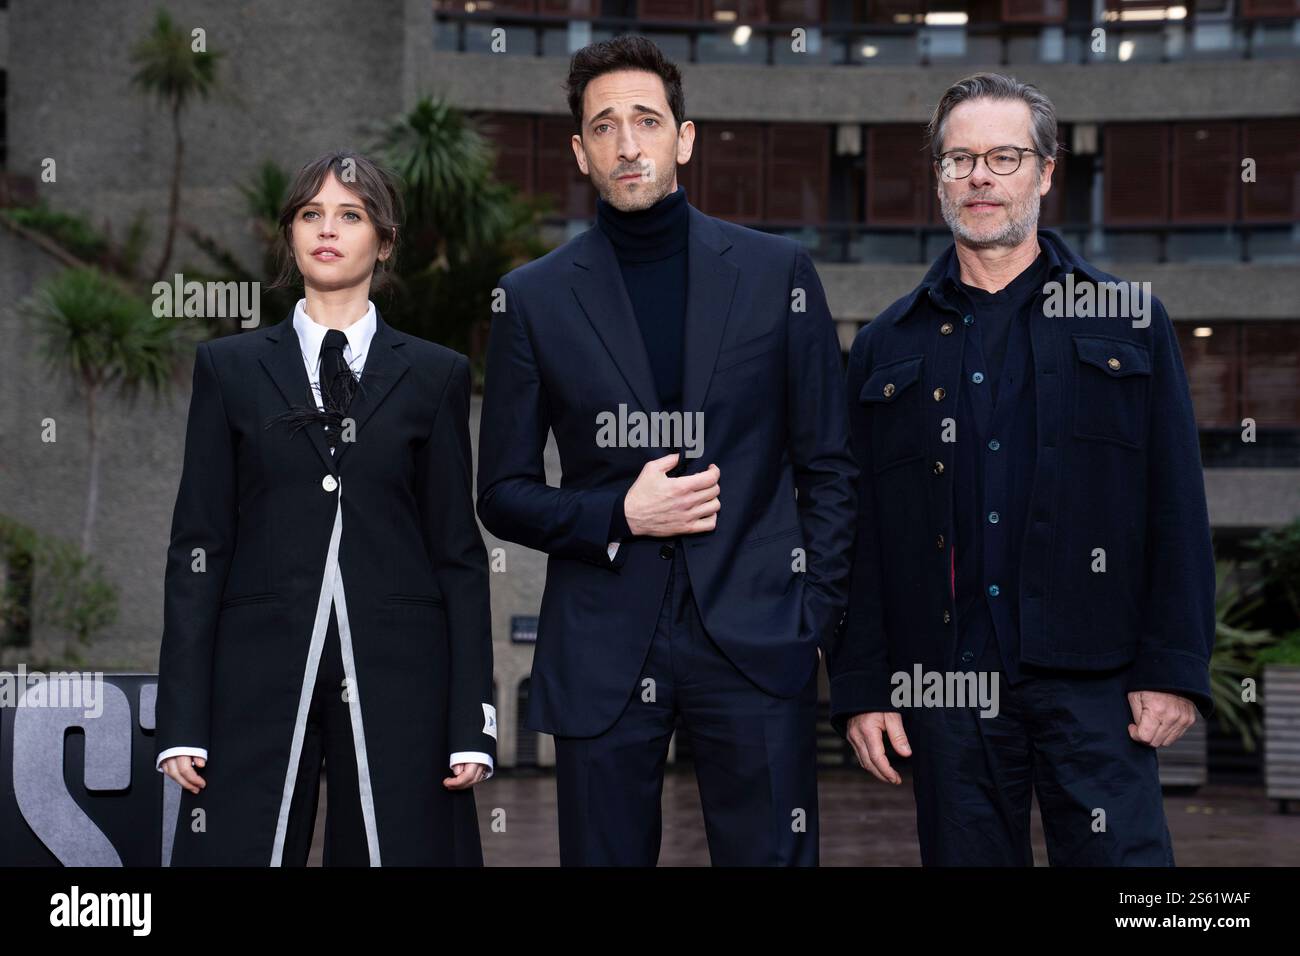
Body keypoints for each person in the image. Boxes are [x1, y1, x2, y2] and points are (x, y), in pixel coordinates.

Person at [477, 36, 857, 866]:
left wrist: (811, 616)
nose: (627, 143)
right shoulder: (531, 298)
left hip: (758, 635)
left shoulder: (777, 273)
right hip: (604, 641)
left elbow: (830, 464)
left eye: (646, 120)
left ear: (684, 138)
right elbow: (501, 490)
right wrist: (618, 514)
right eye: (604, 126)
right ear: (580, 151)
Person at [831, 73, 1215, 865]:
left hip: (1099, 682)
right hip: (947, 686)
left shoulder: (1130, 321)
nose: (980, 176)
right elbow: (862, 534)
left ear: (1044, 173)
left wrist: (1174, 667)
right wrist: (863, 687)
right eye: (959, 158)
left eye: (1004, 157)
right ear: (938, 177)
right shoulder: (886, 344)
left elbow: (1176, 502)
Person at [155, 152, 495, 865]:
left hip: (405, 678)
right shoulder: (230, 369)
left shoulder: (436, 376)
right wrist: (183, 717)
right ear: (290, 235)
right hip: (253, 677)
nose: (327, 229)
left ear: (386, 239)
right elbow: (199, 546)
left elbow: (458, 556)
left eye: (351, 214)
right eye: (310, 214)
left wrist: (473, 721)